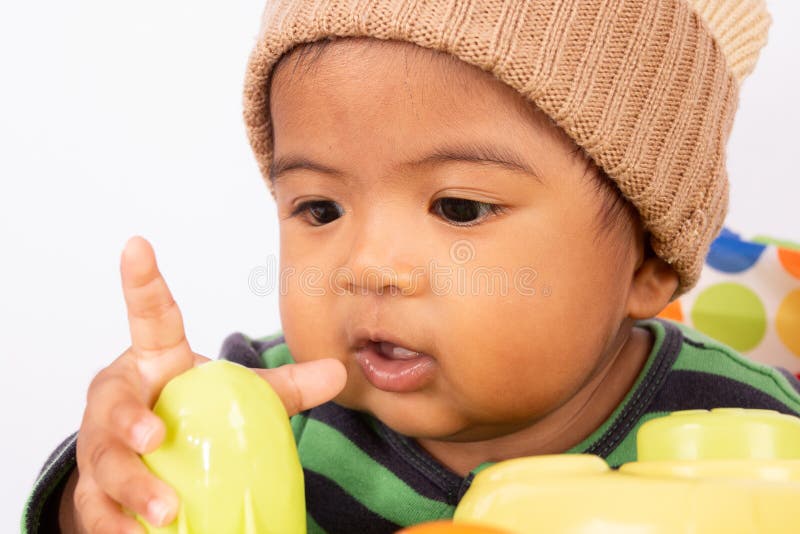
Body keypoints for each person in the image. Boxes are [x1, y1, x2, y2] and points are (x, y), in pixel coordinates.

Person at [23, 0, 799, 532]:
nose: (368, 267)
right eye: (320, 209)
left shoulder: (754, 431)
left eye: (458, 208)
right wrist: (129, 474)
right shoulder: (267, 411)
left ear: (649, 265)